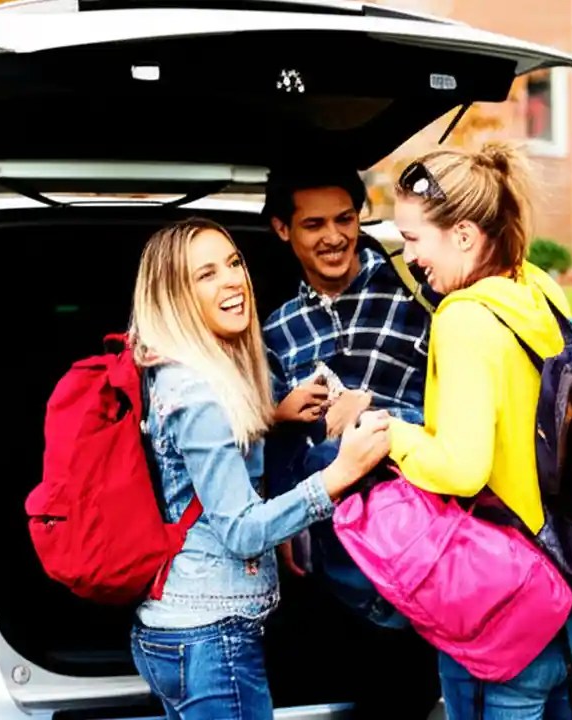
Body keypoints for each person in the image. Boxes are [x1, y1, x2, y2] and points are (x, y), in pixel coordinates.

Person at [125, 217, 393, 720]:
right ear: (174, 296)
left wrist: (271, 414)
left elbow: (197, 467)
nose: (231, 280)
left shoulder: (175, 373)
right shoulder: (200, 393)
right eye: (205, 275)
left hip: (181, 627)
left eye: (233, 263)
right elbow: (243, 531)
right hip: (210, 634)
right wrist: (340, 473)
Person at [386, 142, 572, 718]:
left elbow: (462, 466)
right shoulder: (537, 290)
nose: (409, 257)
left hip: (510, 610)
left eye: (413, 239)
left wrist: (390, 433)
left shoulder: (462, 319)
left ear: (463, 235)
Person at [257, 164, 444, 719]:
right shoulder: (273, 329)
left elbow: (451, 415)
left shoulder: (417, 305)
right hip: (316, 552)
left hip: (408, 550)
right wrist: (279, 513)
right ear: (282, 230)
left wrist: (376, 413)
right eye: (314, 224)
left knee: (399, 693)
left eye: (345, 219)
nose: (334, 237)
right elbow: (267, 440)